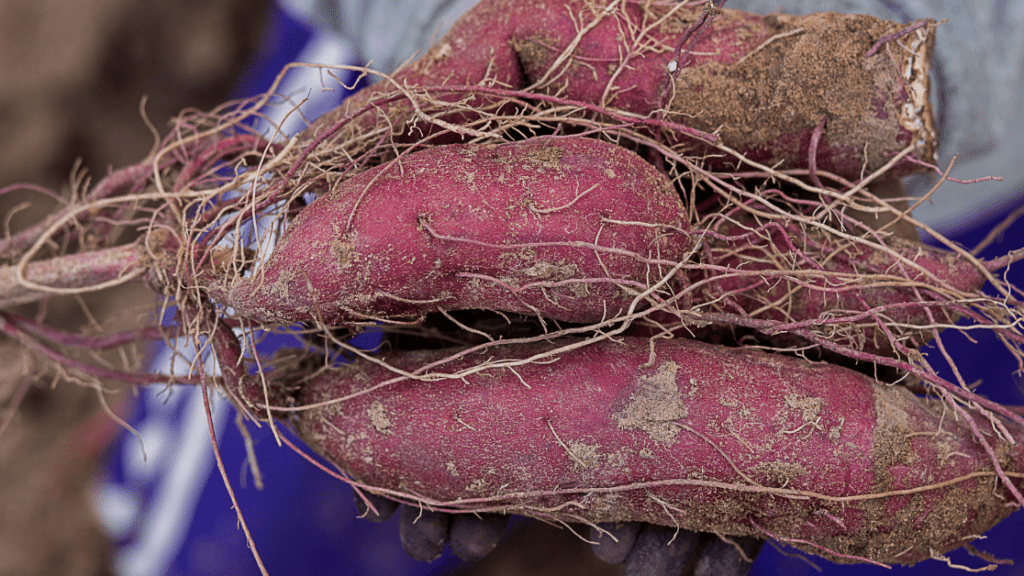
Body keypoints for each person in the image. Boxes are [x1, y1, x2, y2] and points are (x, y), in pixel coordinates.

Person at [94, 1, 1024, 574]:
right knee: (211, 550)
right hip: (457, 102)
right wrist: (454, 40)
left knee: (909, 486)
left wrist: (867, 85)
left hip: (958, 160)